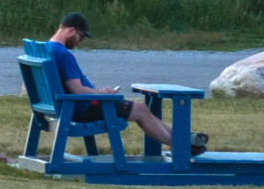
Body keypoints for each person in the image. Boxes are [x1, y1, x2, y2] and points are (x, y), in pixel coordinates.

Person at [46, 12, 207, 156]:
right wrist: (103, 93)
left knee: (142, 109)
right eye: (80, 37)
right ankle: (183, 146)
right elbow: (77, 90)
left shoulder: (47, 48)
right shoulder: (63, 54)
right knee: (141, 111)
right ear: (71, 31)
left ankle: (183, 138)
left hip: (69, 107)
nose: (79, 42)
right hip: (83, 109)